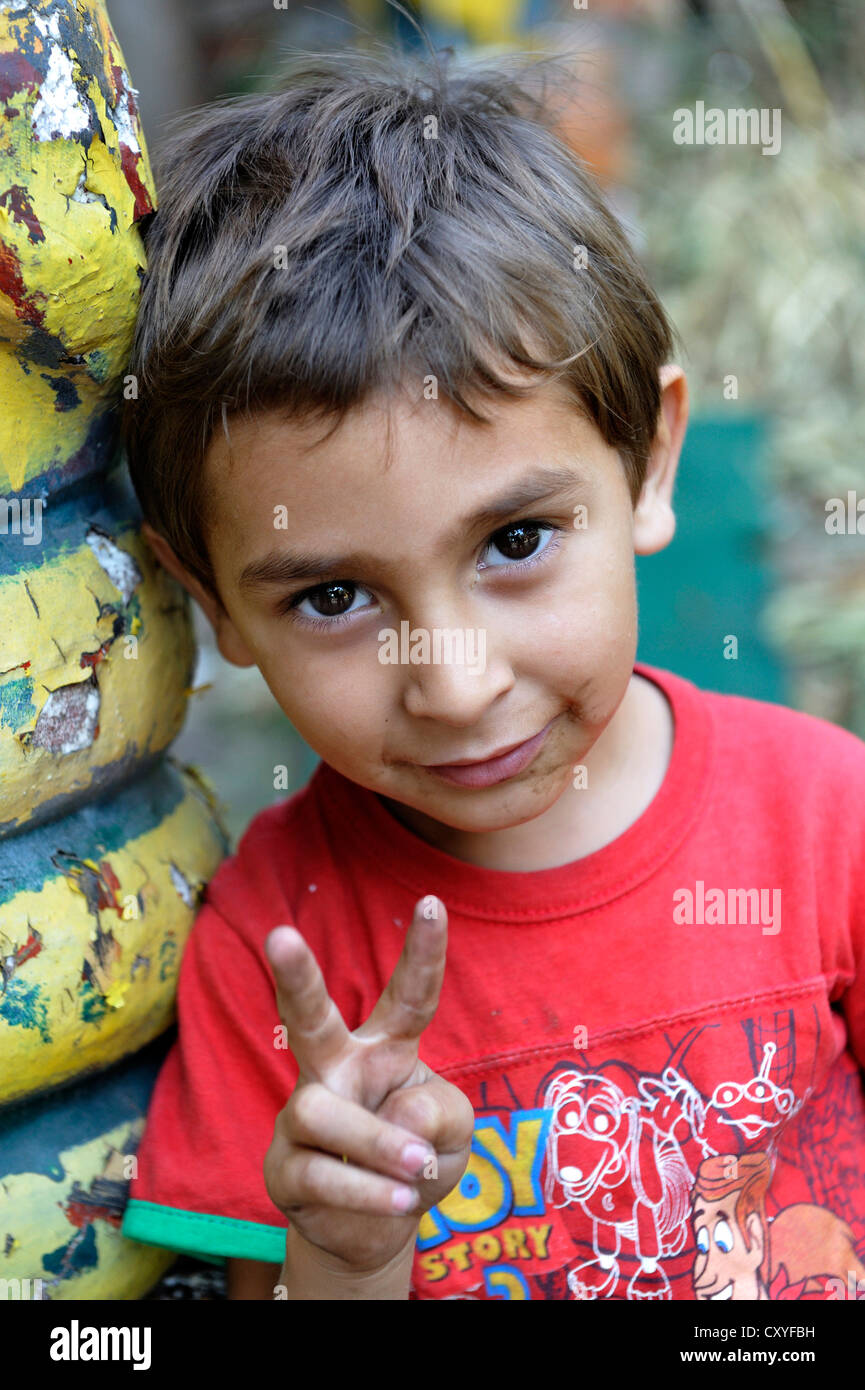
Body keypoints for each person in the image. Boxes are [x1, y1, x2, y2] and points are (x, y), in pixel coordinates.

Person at [119, 43, 865, 1301]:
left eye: (515, 542)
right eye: (334, 596)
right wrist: (346, 1246)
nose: (454, 685)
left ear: (648, 462)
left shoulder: (823, 823)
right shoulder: (278, 948)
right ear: (213, 605)